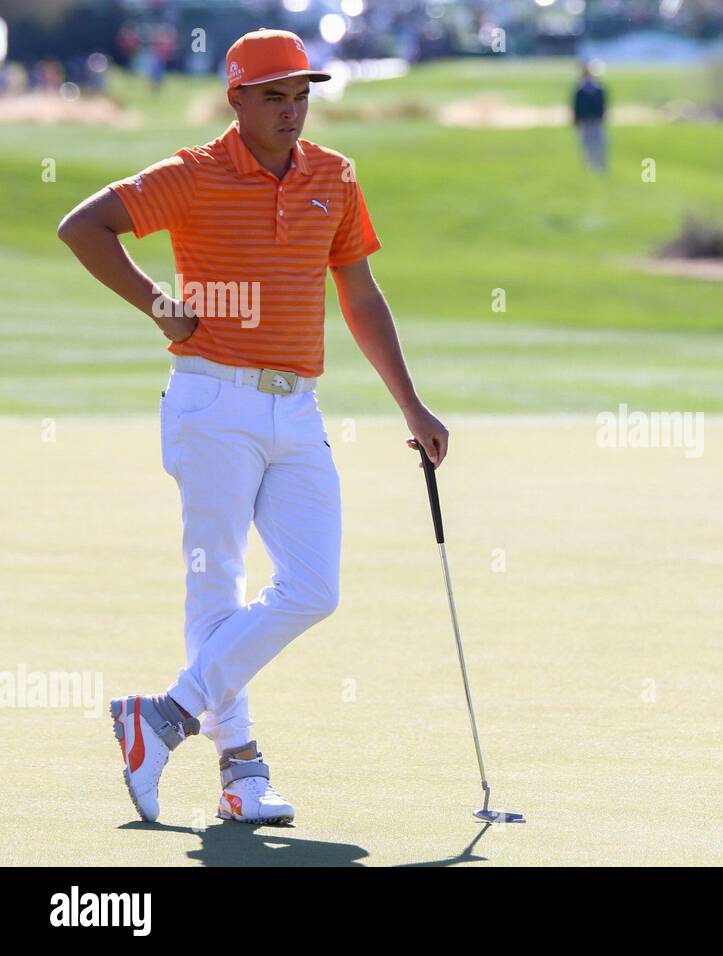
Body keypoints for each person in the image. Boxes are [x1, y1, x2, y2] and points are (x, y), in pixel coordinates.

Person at [56, 28, 449, 826]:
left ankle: (162, 717)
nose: (292, 111)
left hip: (297, 407)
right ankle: (242, 773)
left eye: (302, 95)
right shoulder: (192, 174)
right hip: (213, 403)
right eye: (274, 96)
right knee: (218, 586)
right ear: (236, 98)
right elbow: (83, 227)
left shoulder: (333, 177)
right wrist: (162, 307)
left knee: (313, 587)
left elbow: (360, 295)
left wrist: (411, 402)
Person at [572, 62, 607, 173]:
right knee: (587, 144)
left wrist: (601, 117)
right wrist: (577, 120)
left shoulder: (598, 89)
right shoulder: (580, 90)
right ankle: (590, 166)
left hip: (596, 120)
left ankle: (600, 166)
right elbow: (576, 107)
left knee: (599, 144)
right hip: (585, 121)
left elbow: (602, 105)